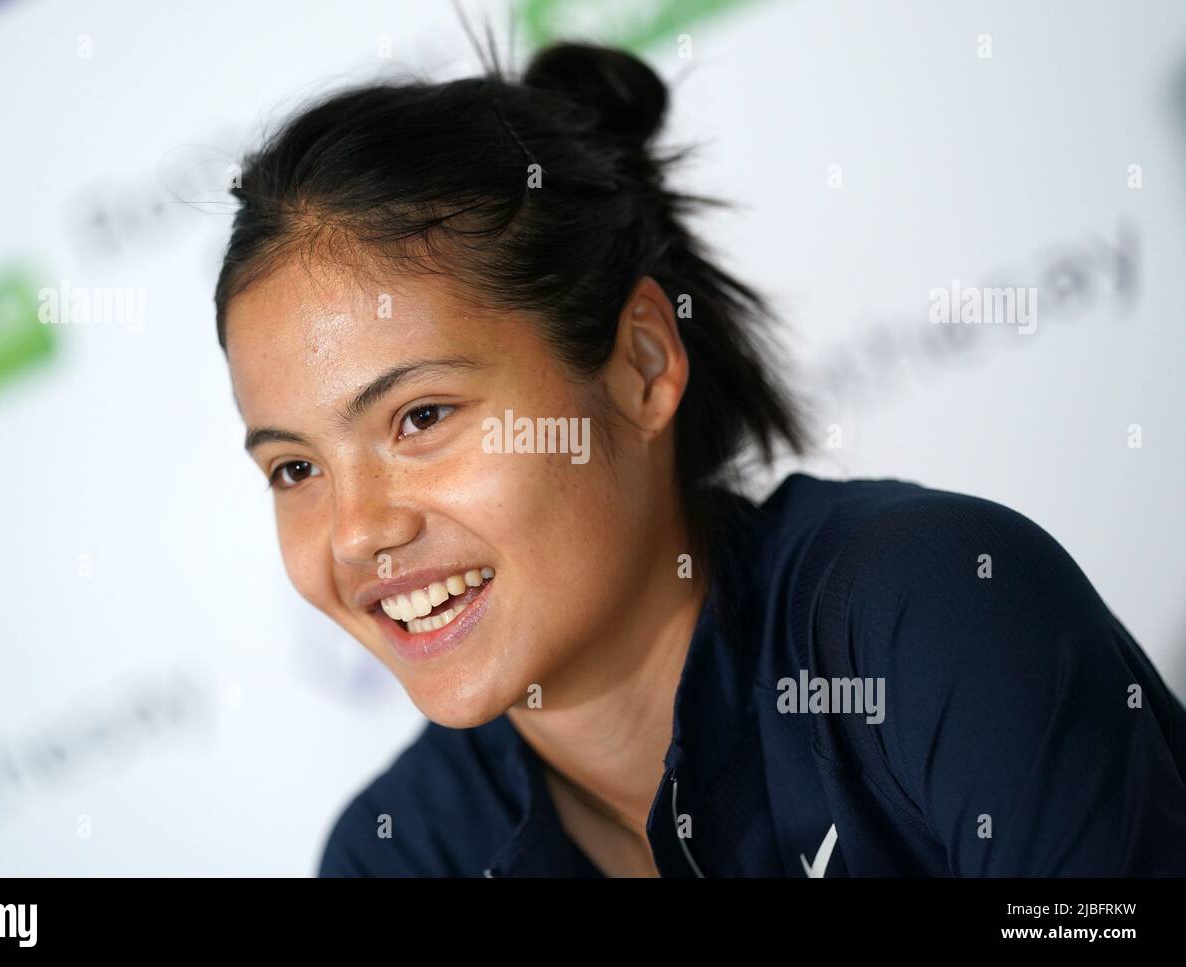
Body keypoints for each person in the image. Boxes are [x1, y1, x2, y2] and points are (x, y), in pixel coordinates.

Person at [212, 41, 1186, 876]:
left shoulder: (929, 610)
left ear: (641, 362)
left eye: (420, 416)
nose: (358, 530)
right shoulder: (399, 856)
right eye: (294, 469)